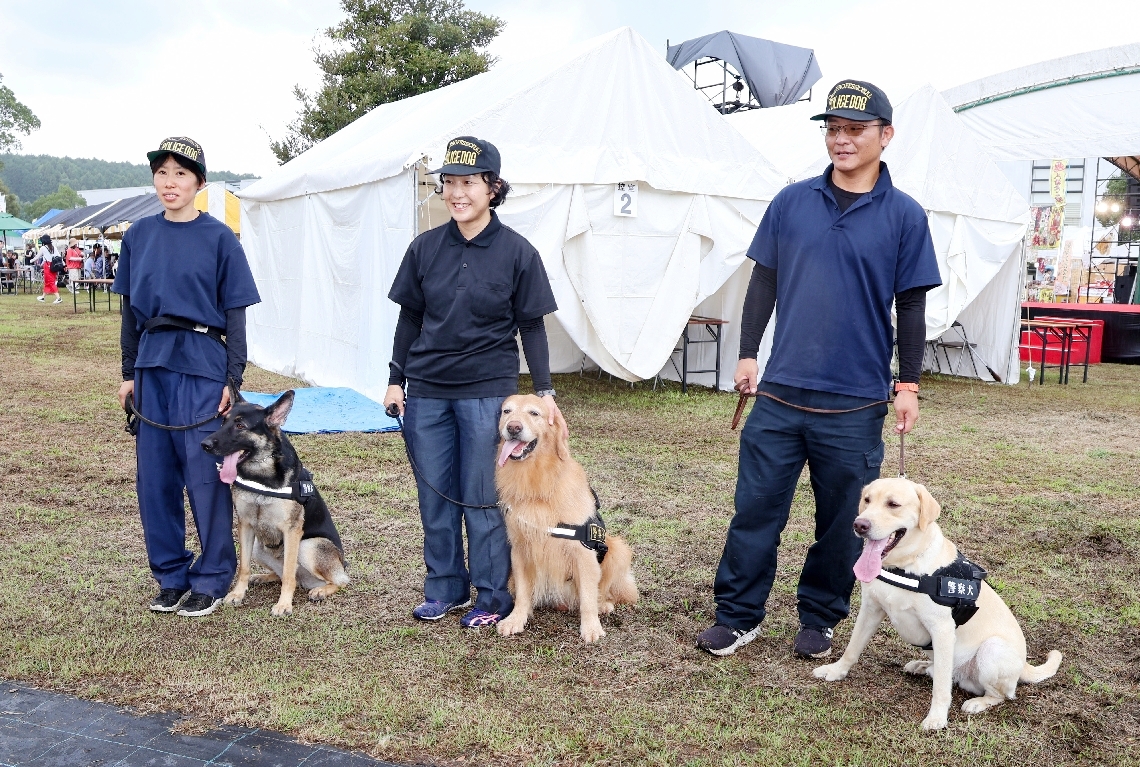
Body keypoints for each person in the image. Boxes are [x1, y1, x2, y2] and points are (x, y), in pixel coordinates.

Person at [696, 81, 942, 659]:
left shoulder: (905, 215)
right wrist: (749, 351)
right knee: (755, 511)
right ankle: (737, 615)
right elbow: (764, 280)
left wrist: (908, 383)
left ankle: (820, 616)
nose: (842, 139)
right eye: (833, 128)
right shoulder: (791, 201)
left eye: (855, 129)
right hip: (780, 395)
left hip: (856, 403)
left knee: (842, 523)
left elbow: (912, 306)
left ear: (885, 135)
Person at [384, 136, 561, 628]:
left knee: (483, 495)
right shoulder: (424, 249)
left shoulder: (517, 252)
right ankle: (445, 588)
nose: (457, 193)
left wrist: (544, 392)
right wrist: (396, 379)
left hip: (488, 391)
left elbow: (532, 325)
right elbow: (409, 320)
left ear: (493, 188)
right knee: (435, 494)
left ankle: (490, 597)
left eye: (469, 182)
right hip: (427, 390)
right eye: (450, 183)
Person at [112, 137, 261, 618]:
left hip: (201, 360)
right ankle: (171, 575)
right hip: (151, 362)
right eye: (162, 173)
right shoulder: (138, 235)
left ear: (199, 181)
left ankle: (213, 576)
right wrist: (127, 374)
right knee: (154, 477)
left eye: (180, 173)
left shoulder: (219, 238)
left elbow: (236, 317)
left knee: (205, 475)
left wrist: (231, 380)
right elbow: (128, 315)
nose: (169, 182)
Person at [36, 235, 61, 304]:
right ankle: (43, 297)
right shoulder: (53, 247)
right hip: (53, 266)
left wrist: (31, 261)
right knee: (48, 282)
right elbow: (59, 256)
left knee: (50, 282)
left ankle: (58, 298)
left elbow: (37, 256)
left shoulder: (43, 248)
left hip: (47, 266)